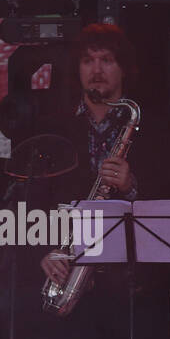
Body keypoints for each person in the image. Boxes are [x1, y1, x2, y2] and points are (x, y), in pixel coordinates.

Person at [40, 23, 140, 288]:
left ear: (123, 68)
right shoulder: (55, 128)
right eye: (87, 61)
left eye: (106, 60)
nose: (96, 71)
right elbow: (37, 200)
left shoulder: (150, 126)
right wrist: (46, 251)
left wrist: (130, 186)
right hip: (68, 275)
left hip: (130, 279)